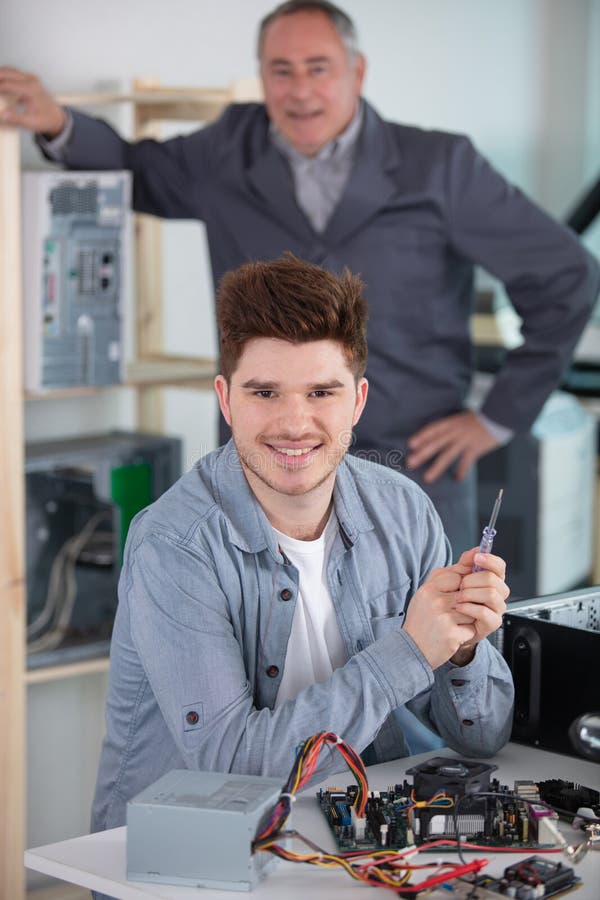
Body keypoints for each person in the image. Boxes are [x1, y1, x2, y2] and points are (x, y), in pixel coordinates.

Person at [1, 0, 598, 554]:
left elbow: (567, 276)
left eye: (319, 68)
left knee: (426, 652)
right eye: (281, 71)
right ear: (262, 78)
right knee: (267, 654)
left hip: (409, 467)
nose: (301, 91)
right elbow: (139, 170)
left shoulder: (440, 167)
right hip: (264, 470)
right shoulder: (226, 152)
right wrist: (56, 123)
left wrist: (495, 419)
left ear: (357, 72)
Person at [89, 253, 513, 835]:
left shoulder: (403, 511)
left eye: (321, 392)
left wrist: (462, 648)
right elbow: (232, 768)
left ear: (358, 401)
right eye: (264, 393)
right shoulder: (173, 545)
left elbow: (484, 740)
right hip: (178, 860)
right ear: (225, 399)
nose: (294, 423)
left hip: (343, 842)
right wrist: (413, 652)